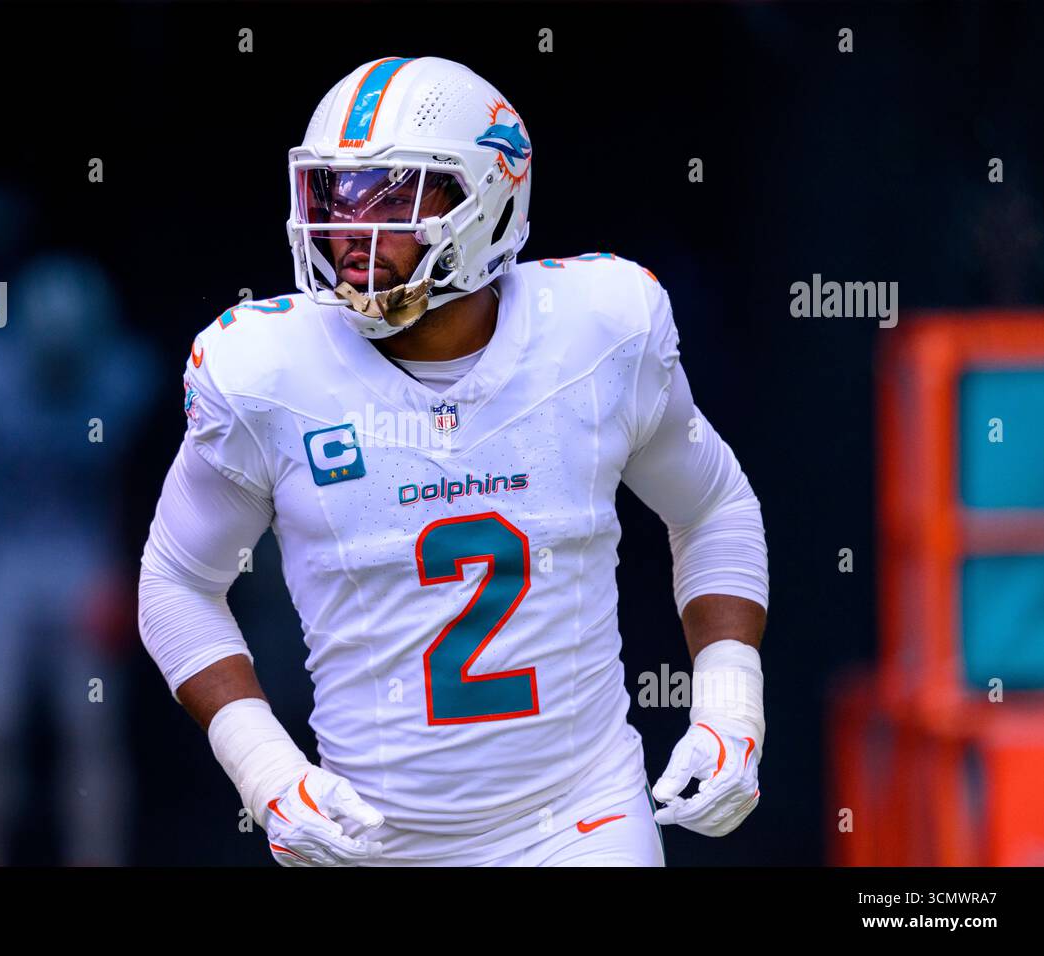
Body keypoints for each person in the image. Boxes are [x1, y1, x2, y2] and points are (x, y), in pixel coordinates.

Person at [139, 57, 768, 866]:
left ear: (486, 200)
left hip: (581, 824)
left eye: (391, 197)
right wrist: (266, 770)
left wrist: (729, 703)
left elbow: (711, 505)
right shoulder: (267, 371)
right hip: (370, 840)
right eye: (334, 195)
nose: (349, 228)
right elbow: (176, 580)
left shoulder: (600, 332)